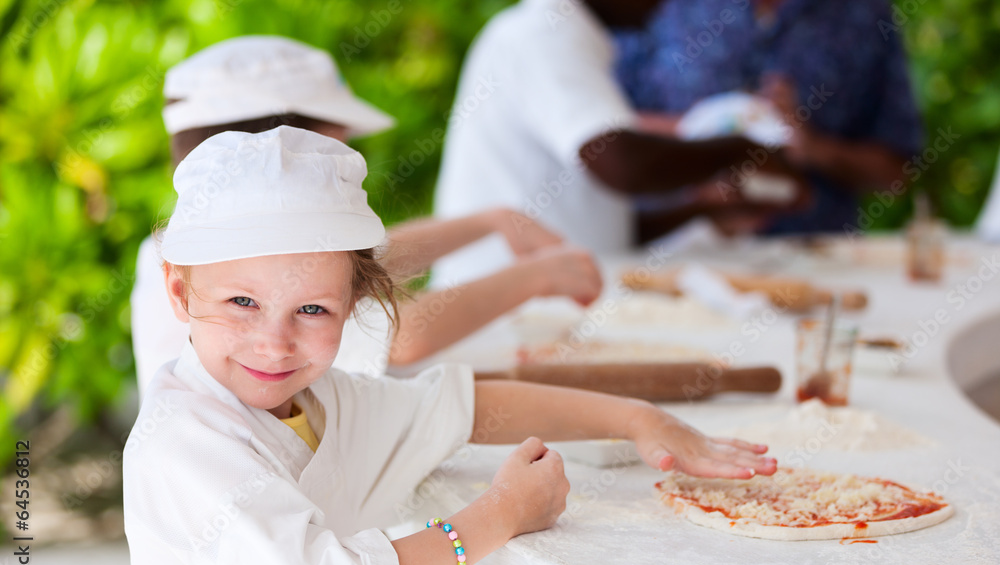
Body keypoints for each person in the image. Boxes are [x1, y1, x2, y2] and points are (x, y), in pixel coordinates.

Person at [123, 126, 777, 565]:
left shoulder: (320, 401)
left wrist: (636, 418)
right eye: (241, 302)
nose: (275, 342)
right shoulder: (186, 446)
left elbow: (463, 407)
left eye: (313, 309)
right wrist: (501, 512)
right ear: (180, 293)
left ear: (356, 306)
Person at [131, 36, 602, 393]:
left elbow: (368, 261)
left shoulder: (206, 241)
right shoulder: (224, 255)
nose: (351, 156)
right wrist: (537, 278)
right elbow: (401, 334)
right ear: (278, 150)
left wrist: (491, 222)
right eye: (338, 146)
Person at [430, 0, 807, 288]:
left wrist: (701, 209)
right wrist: (739, 149)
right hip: (498, 315)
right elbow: (622, 164)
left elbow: (604, 227)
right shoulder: (543, 36)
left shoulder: (565, 39)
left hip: (536, 305)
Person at [613, 0, 924, 238]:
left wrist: (816, 148)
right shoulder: (659, 7)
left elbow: (895, 175)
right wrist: (711, 129)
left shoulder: (864, 15)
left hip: (815, 266)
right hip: (670, 256)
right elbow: (600, 128)